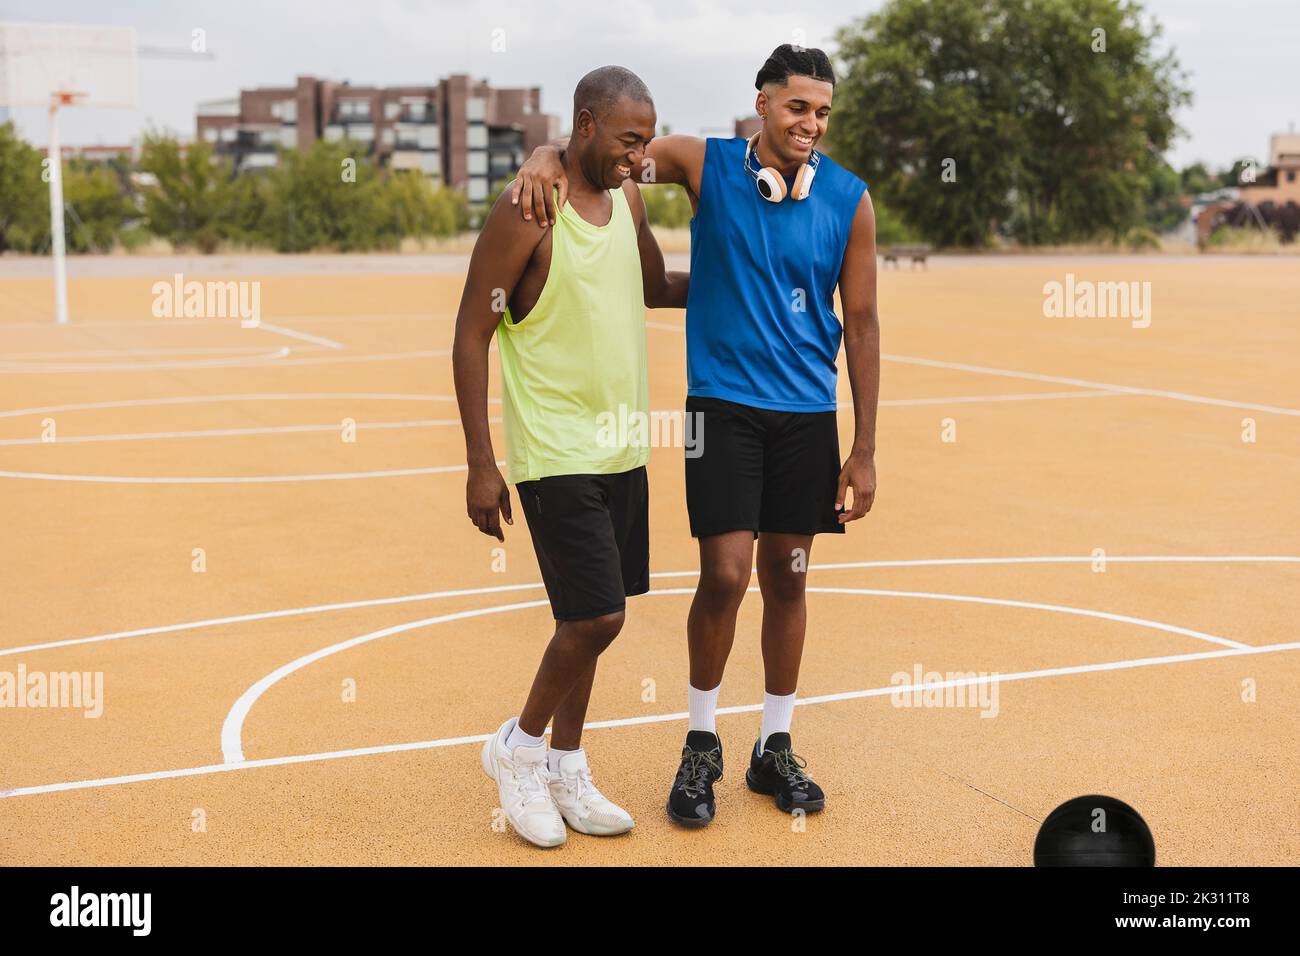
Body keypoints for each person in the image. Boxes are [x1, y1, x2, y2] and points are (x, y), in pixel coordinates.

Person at [511, 44, 879, 826]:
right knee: (724, 574)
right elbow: (609, 157)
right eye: (797, 107)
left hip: (807, 416)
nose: (811, 123)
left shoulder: (849, 199)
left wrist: (865, 448)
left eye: (822, 111)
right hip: (721, 410)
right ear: (762, 105)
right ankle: (701, 745)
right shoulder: (703, 164)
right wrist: (546, 149)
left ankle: (773, 747)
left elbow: (867, 323)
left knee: (789, 574)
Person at [452, 65, 688, 847]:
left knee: (586, 618)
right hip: (554, 449)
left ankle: (566, 761)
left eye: (647, 140)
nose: (638, 154)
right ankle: (516, 751)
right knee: (598, 615)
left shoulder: (627, 196)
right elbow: (470, 334)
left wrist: (758, 277)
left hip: (623, 445)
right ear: (584, 124)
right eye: (627, 138)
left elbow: (657, 285)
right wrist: (481, 462)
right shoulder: (530, 207)